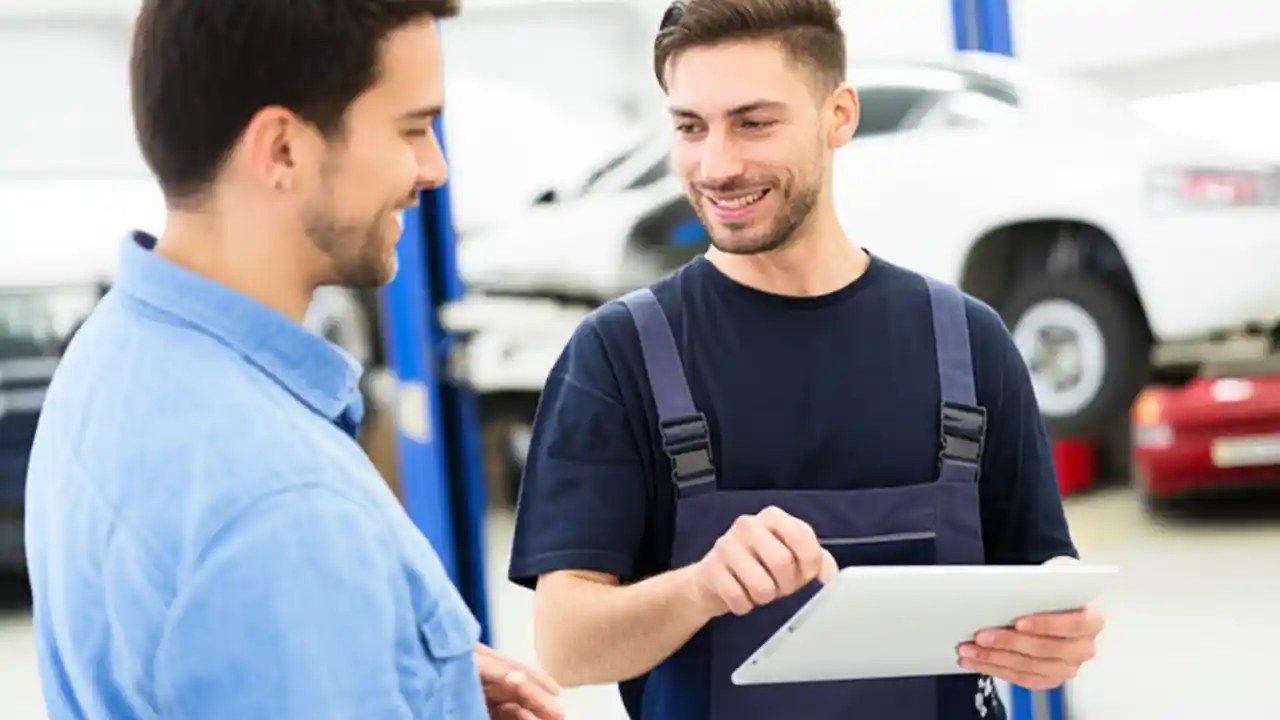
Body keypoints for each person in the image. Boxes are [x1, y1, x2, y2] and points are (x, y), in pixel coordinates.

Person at [507, 1, 1106, 718]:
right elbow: (569, 647)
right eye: (690, 127)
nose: (717, 165)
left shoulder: (967, 343)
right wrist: (701, 587)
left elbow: (1043, 579)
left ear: (839, 116)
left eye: (754, 122)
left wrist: (1057, 637)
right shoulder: (617, 356)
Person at [23, 1, 562, 718]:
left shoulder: (116, 352)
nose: (432, 168)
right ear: (281, 149)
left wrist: (402, 673)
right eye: (411, 128)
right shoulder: (285, 509)